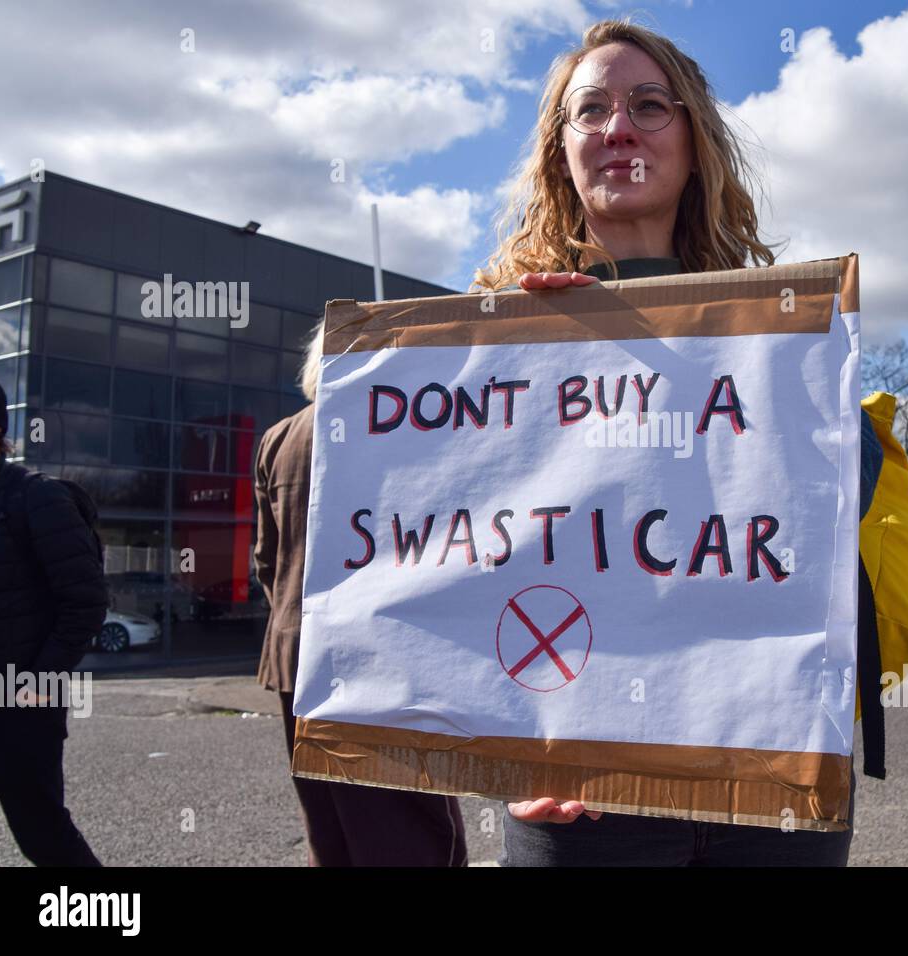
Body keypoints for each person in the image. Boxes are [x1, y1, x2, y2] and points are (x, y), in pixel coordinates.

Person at [474, 18, 859, 866]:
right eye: (592, 111)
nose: (620, 129)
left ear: (694, 141)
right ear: (560, 149)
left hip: (770, 766)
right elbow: (444, 556)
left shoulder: (777, 325)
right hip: (579, 784)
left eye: (650, 105)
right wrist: (491, 744)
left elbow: (836, 500)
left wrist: (786, 368)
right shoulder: (497, 333)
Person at [253, 325, 467, 867]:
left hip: (294, 652)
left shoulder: (278, 438)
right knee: (405, 825)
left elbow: (265, 558)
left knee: (328, 823)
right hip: (381, 657)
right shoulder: (394, 425)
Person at [0, 378, 104, 866]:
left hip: (20, 707)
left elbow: (86, 601)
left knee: (43, 833)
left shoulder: (37, 498)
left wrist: (37, 682)